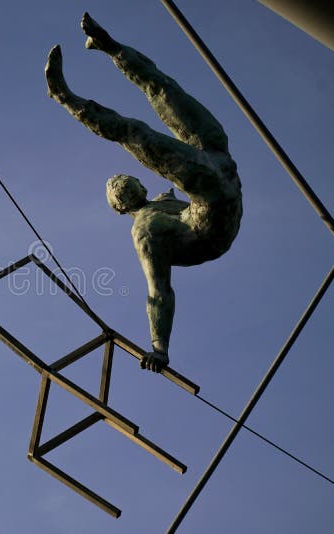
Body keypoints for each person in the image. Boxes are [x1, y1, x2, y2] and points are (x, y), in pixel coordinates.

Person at [45, 13, 242, 373]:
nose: (119, 183)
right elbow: (158, 291)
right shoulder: (146, 230)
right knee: (133, 132)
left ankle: (110, 47)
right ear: (122, 208)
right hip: (211, 215)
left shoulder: (162, 200)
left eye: (121, 182)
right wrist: (159, 347)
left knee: (164, 90)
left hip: (219, 165)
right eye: (116, 189)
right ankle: (64, 98)